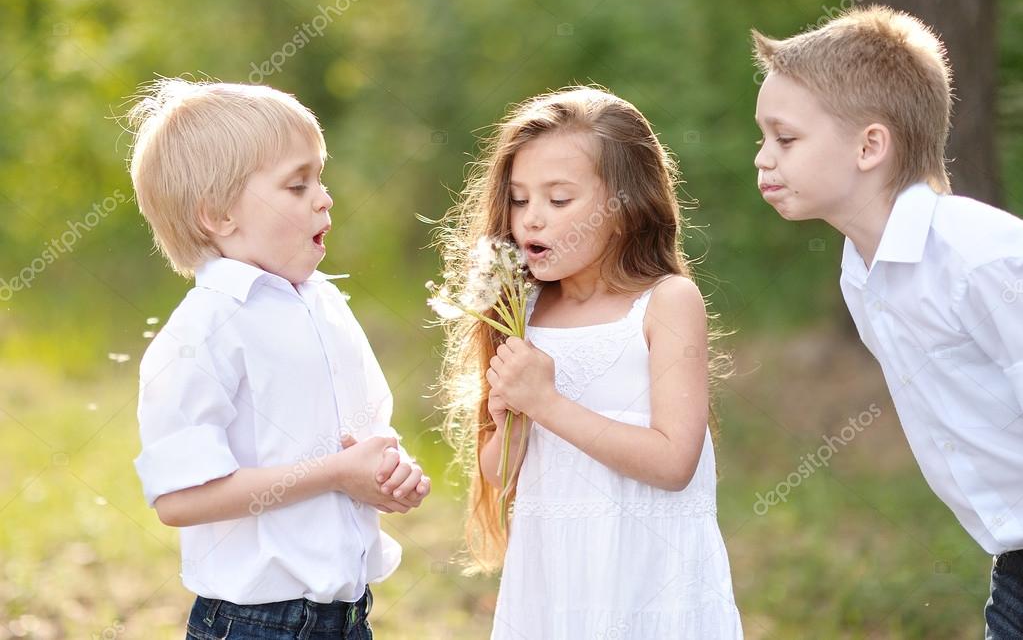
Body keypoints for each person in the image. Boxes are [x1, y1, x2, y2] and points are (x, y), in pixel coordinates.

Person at [752, 6, 1023, 637]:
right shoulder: (861, 271)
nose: (763, 158)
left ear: (870, 145)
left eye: (785, 139)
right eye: (763, 136)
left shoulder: (980, 260)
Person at [125, 77, 430, 639]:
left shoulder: (326, 304)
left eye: (320, 176)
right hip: (255, 623)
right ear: (218, 215)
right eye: (297, 185)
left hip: (348, 615)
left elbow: (359, 436)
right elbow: (179, 498)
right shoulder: (204, 330)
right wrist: (336, 474)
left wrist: (387, 472)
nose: (324, 197)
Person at [436, 86, 743, 638]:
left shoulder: (664, 303)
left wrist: (546, 403)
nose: (531, 219)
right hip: (556, 583)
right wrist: (511, 420)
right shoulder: (519, 309)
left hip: (649, 580)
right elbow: (500, 475)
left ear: (624, 209)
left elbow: (674, 463)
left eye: (558, 201)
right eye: (519, 198)